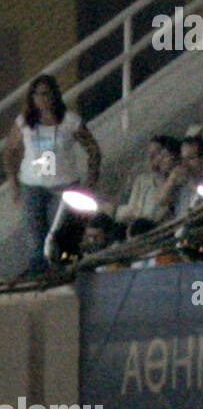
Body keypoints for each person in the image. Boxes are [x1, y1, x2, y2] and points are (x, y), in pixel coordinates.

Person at [5, 75, 102, 276]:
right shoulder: (24, 122)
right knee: (35, 238)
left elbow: (92, 149)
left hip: (63, 187)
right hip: (32, 186)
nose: (42, 99)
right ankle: (39, 275)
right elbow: (10, 150)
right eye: (37, 94)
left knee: (58, 236)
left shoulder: (70, 122)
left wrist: (90, 182)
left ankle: (61, 273)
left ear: (54, 95)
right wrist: (13, 181)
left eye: (46, 94)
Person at [114, 135, 182, 227]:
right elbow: (132, 206)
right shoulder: (142, 180)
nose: (152, 159)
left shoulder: (175, 177)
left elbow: (163, 205)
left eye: (155, 154)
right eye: (149, 154)